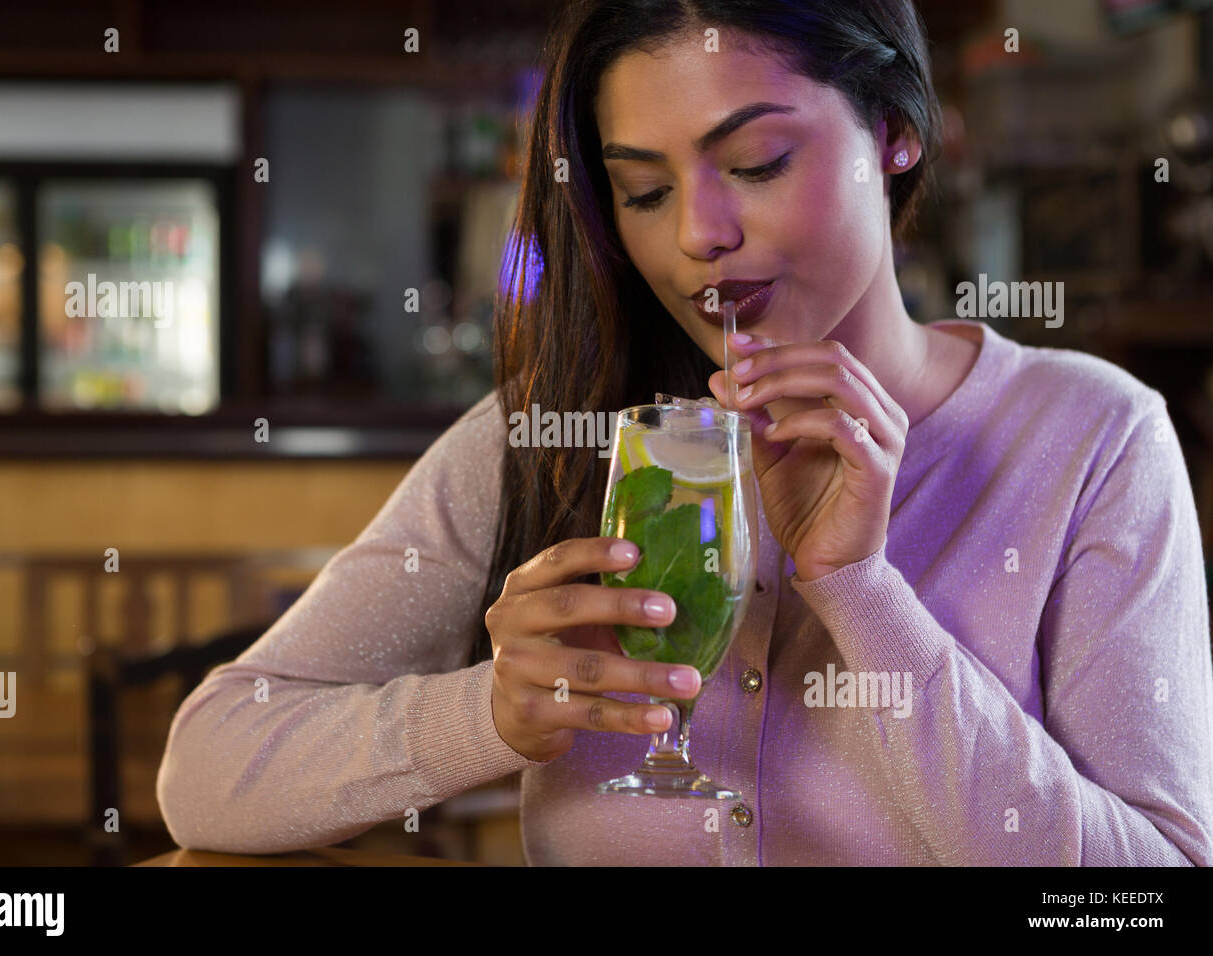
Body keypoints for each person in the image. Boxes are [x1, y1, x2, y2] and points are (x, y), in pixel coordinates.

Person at [157, 0, 1213, 865]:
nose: (697, 235)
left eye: (754, 164)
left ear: (896, 133)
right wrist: (493, 707)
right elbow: (210, 768)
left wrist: (859, 590)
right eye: (643, 191)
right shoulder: (560, 431)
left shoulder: (1089, 438)